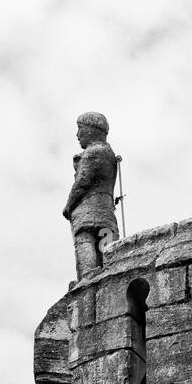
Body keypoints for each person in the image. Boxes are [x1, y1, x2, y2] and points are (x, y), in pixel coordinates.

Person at [62, 111, 120, 278]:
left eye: (80, 128)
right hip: (106, 212)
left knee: (85, 240)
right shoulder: (108, 153)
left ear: (92, 129)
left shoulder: (93, 151)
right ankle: (108, 271)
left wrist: (68, 206)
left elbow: (82, 183)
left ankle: (87, 276)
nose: (77, 134)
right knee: (106, 244)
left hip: (89, 211)